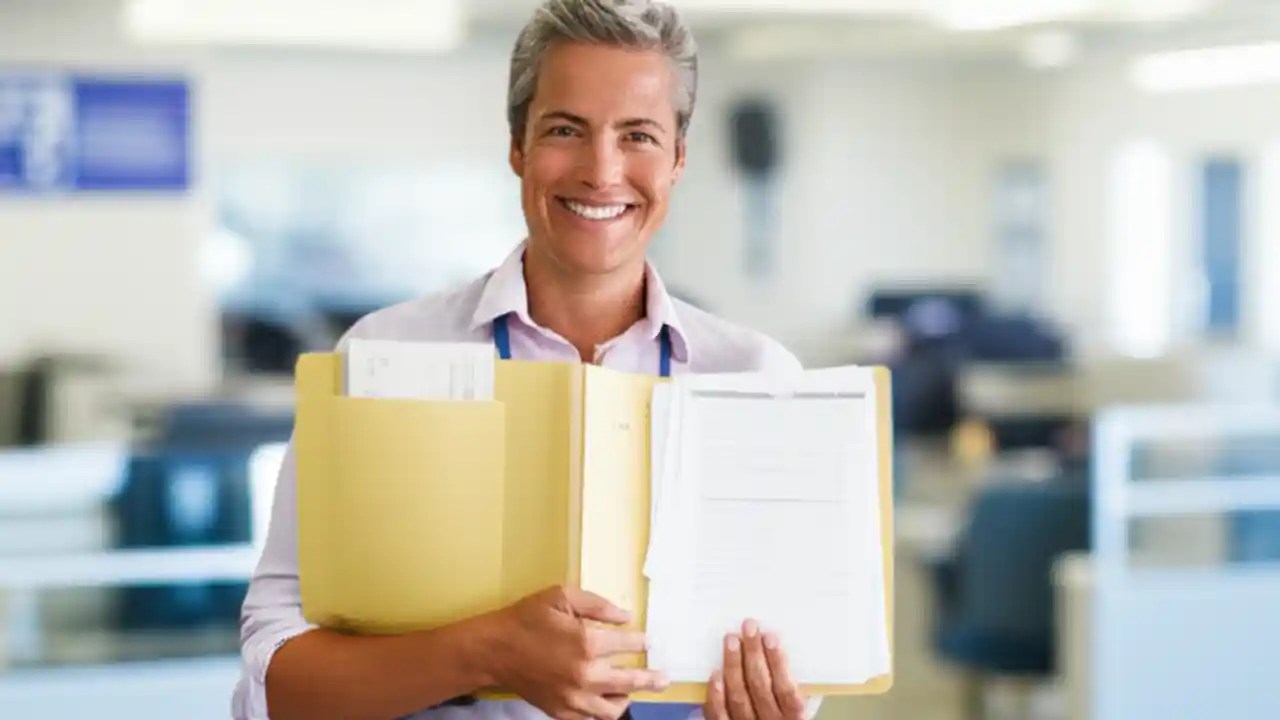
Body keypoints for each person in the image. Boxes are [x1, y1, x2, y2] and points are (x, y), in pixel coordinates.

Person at [233, 2, 818, 719]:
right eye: (566, 130)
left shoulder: (758, 380)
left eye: (637, 135)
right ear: (518, 146)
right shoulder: (386, 356)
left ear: (679, 158)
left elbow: (806, 660)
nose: (602, 172)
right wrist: (490, 651)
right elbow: (274, 685)